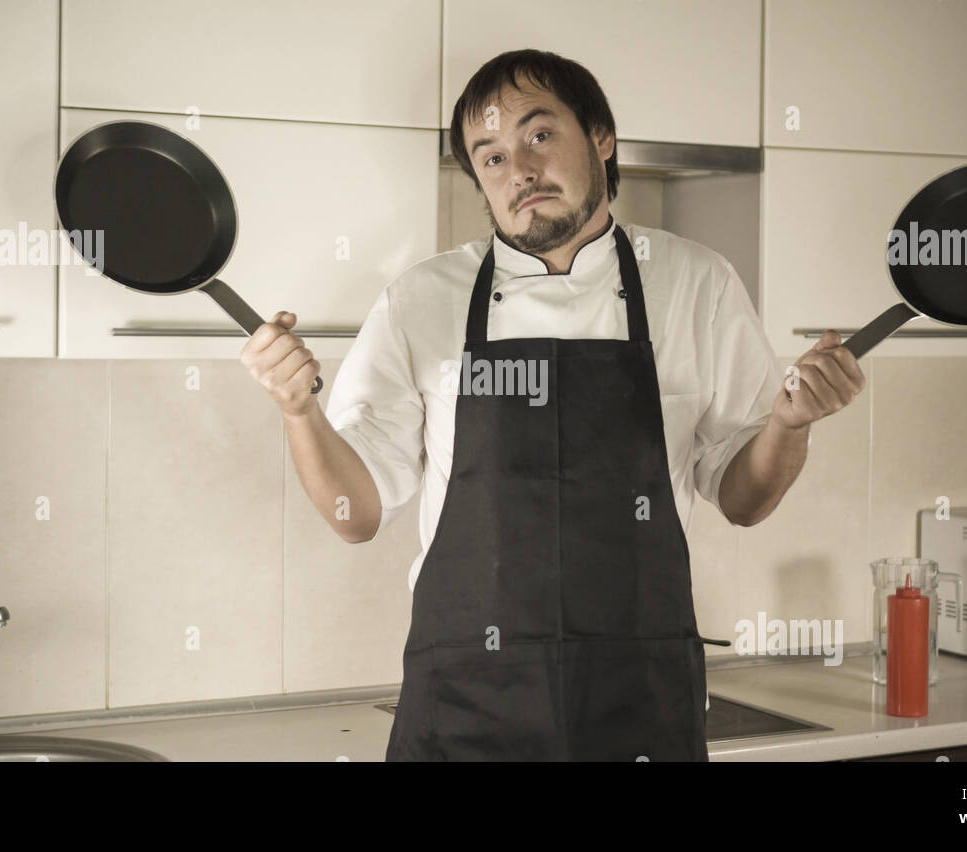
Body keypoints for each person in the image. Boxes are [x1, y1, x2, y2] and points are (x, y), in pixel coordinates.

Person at [240, 49, 865, 761]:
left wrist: (789, 425)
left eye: (539, 135)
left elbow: (745, 499)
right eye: (493, 156)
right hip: (465, 709)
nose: (521, 171)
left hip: (641, 705)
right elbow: (356, 516)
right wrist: (299, 414)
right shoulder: (422, 301)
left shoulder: (698, 286)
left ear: (600, 135)